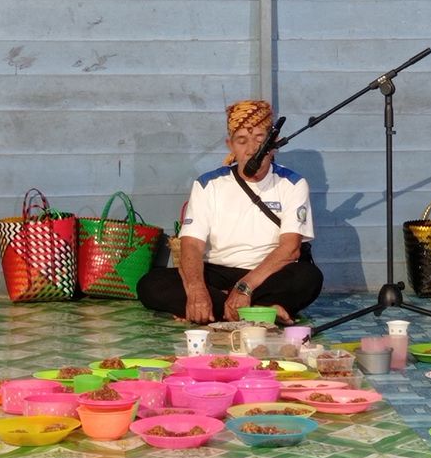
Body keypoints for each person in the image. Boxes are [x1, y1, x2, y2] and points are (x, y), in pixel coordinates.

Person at [137, 100, 323, 325]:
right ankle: (260, 311)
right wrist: (197, 291)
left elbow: (290, 249)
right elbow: (192, 244)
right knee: (150, 284)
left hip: (266, 275)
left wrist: (244, 287)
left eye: (259, 140)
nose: (251, 149)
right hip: (218, 272)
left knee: (308, 277)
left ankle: (220, 310)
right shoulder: (208, 184)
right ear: (230, 145)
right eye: (242, 141)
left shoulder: (293, 183)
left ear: (273, 144)